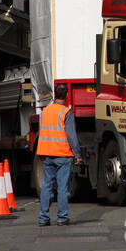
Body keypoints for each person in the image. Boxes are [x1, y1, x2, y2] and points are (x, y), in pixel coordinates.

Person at [36, 83, 78, 226]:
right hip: (62, 154)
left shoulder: (45, 112)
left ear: (55, 94)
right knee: (62, 187)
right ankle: (62, 218)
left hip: (46, 154)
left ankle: (43, 218)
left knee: (47, 186)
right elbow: (71, 136)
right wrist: (78, 154)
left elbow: (43, 132)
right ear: (66, 95)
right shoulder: (66, 113)